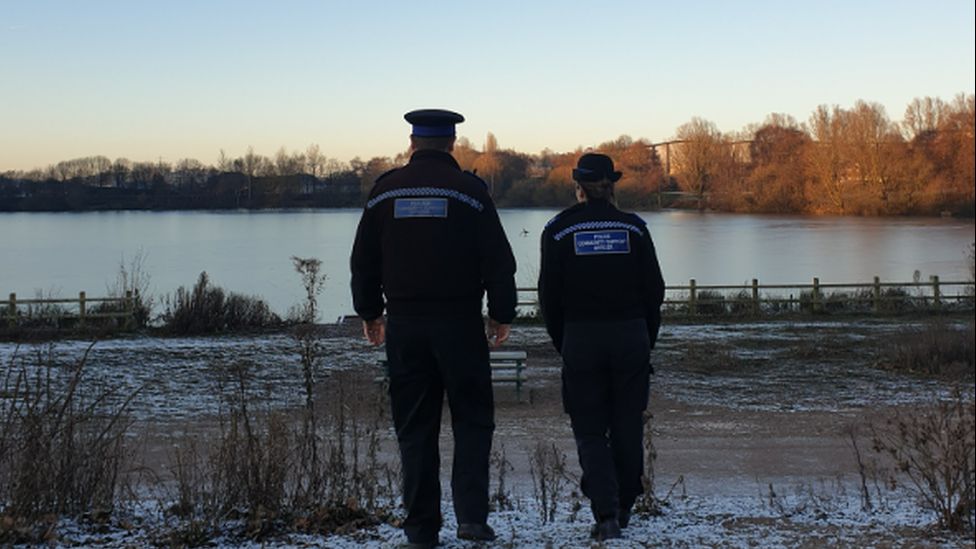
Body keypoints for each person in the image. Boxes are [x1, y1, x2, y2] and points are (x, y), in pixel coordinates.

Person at [350, 109, 517, 549]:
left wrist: (370, 313)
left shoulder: (384, 192)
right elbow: (498, 261)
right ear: (451, 145)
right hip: (460, 325)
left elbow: (363, 260)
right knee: (473, 420)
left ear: (411, 143)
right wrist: (501, 314)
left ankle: (421, 529)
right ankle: (472, 519)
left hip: (405, 327)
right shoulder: (470, 192)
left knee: (415, 429)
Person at [537, 152, 665, 541]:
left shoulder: (558, 231)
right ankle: (625, 504)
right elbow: (654, 292)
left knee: (589, 428)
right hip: (630, 336)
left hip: (581, 337)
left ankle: (605, 512)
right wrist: (646, 339)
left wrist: (565, 341)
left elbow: (549, 298)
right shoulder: (635, 229)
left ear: (578, 188)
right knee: (627, 422)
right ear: (611, 187)